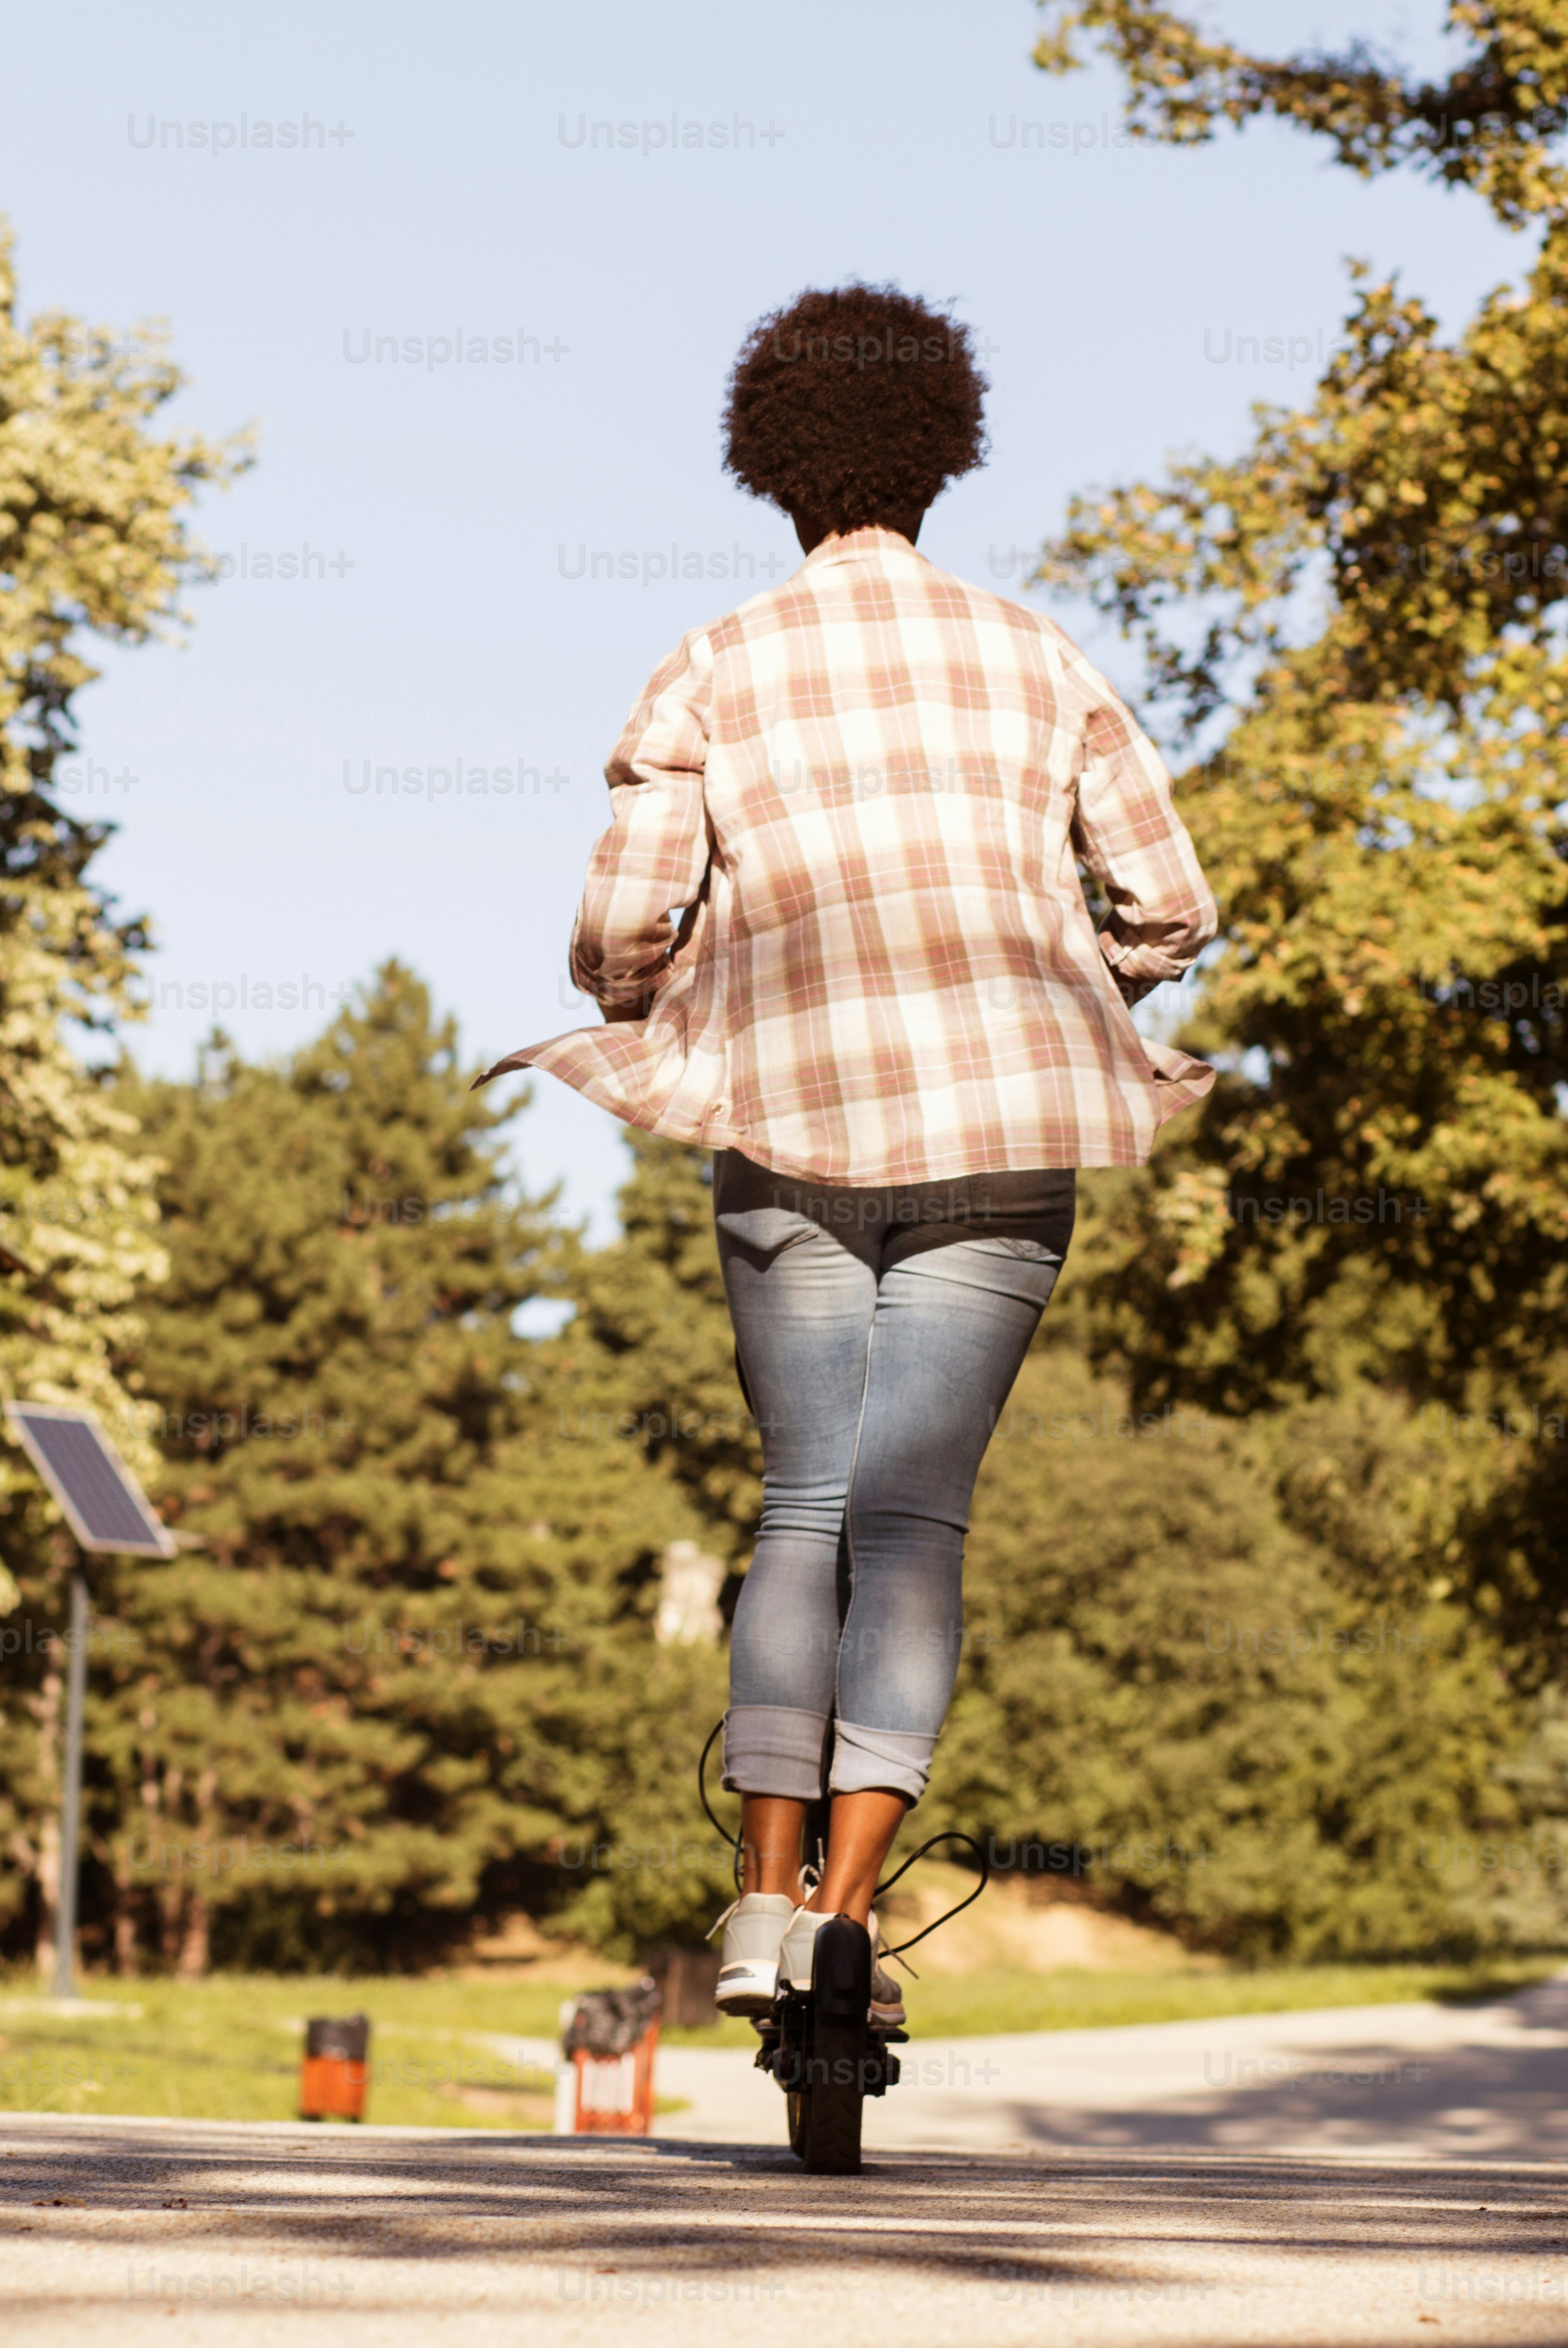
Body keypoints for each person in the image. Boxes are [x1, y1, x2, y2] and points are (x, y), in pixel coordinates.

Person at [488, 284, 1220, 2025]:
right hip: (1002, 1134)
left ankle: (752, 1913)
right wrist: (1063, 985)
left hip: (791, 1129)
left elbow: (617, 927)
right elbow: (1170, 905)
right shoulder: (1038, 655)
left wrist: (667, 990)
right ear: (942, 453)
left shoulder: (717, 664)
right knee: (911, 1521)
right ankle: (849, 1917)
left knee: (800, 1501)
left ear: (773, 463)